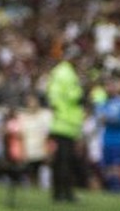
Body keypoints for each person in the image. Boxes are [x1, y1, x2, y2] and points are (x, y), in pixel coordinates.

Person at [46, 56, 85, 203]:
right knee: (65, 162)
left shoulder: (60, 72)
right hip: (65, 124)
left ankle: (58, 193)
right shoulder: (66, 73)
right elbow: (72, 95)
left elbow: (53, 96)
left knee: (60, 161)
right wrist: (80, 92)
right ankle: (65, 194)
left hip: (61, 123)